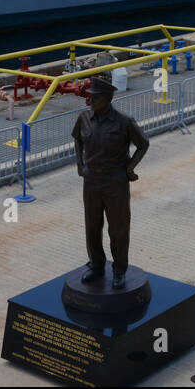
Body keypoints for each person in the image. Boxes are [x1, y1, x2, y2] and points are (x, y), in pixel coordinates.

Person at [71, 76, 149, 288]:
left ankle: (119, 270)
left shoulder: (124, 122)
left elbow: (143, 145)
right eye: (90, 97)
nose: (90, 101)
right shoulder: (84, 118)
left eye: (94, 98)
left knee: (118, 229)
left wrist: (129, 168)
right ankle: (97, 265)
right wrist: (80, 164)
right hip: (92, 181)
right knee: (92, 226)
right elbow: (77, 138)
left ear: (106, 99)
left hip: (115, 182)